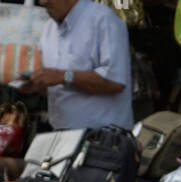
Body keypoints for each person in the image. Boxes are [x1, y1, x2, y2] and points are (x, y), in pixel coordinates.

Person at [26, 0, 133, 131]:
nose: (42, 2)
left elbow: (115, 81)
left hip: (102, 138)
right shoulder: (49, 28)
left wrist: (64, 76)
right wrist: (37, 85)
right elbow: (57, 87)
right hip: (61, 134)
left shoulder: (103, 19)